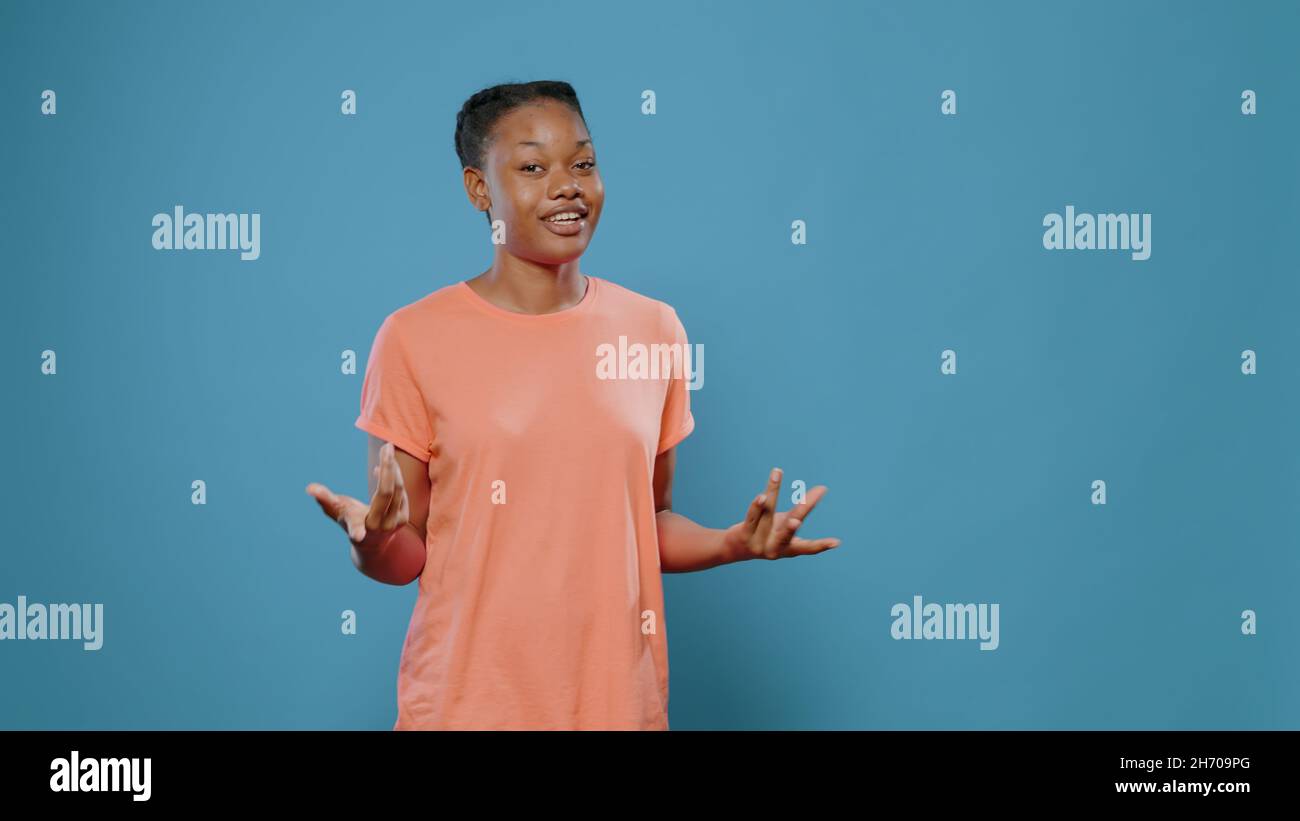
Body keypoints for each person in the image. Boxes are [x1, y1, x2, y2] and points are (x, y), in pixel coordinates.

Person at [306, 80, 840, 730]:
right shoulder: (413, 337)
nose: (568, 186)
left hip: (616, 706)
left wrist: (733, 542)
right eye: (533, 167)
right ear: (480, 190)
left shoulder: (655, 330)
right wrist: (373, 540)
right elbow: (408, 554)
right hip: (467, 706)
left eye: (583, 163)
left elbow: (647, 521)